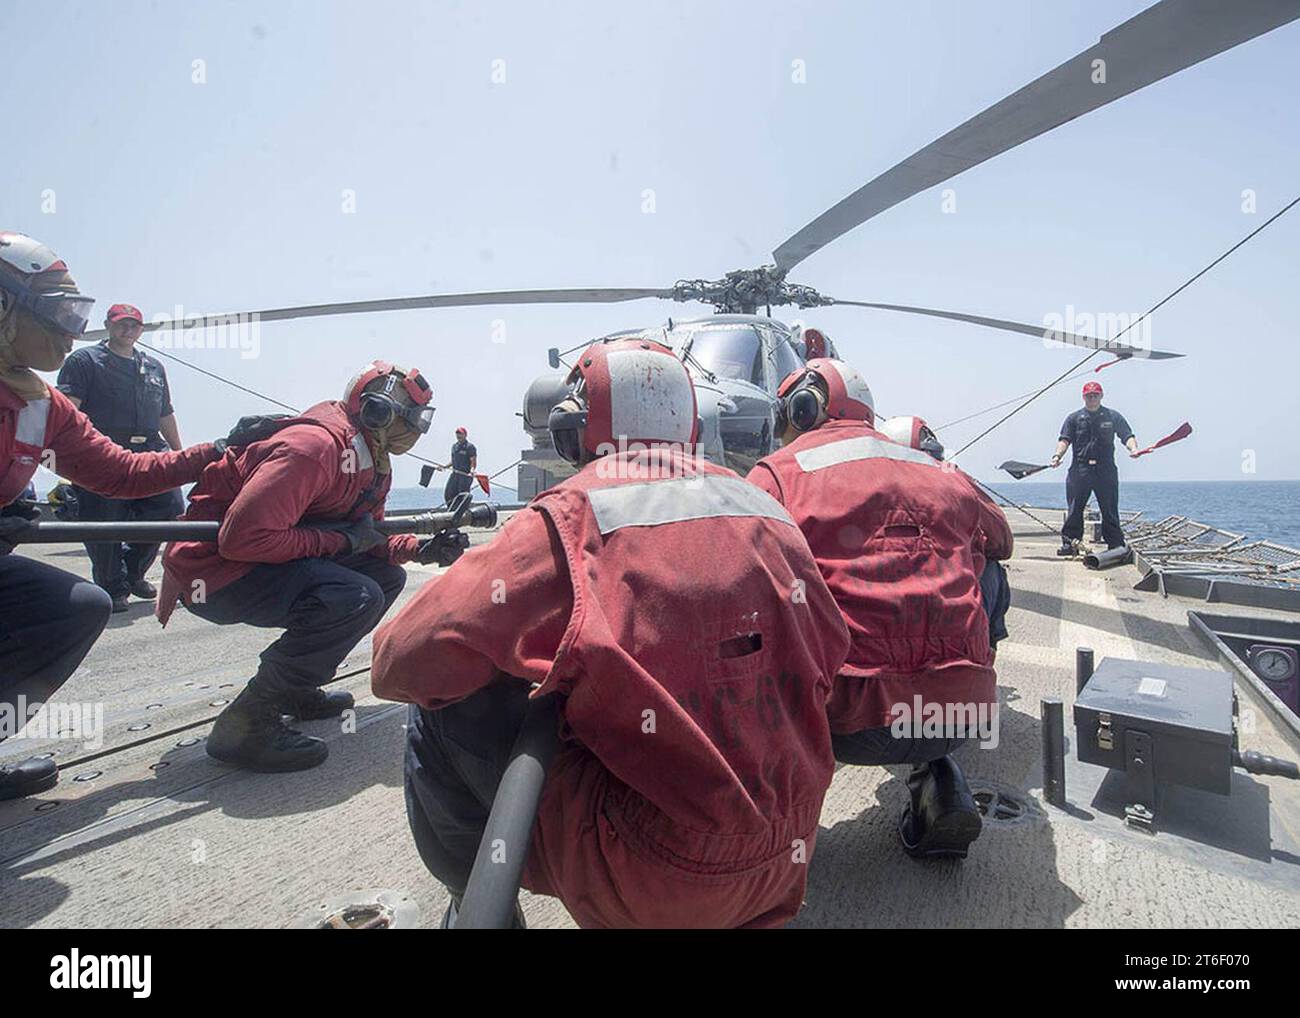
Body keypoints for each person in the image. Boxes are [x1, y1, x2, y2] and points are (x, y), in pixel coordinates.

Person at [372, 337, 850, 928]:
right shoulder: (770, 511)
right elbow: (832, 651)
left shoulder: (572, 513)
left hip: (656, 873)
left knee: (435, 709)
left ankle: (474, 900)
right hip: (788, 853)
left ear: (575, 429)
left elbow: (400, 661)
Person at [747, 361, 1013, 859]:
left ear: (804, 408)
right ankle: (942, 783)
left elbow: (736, 571)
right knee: (988, 571)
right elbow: (1003, 541)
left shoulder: (779, 474)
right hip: (963, 714)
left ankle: (773, 827)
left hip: (849, 725)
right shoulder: (942, 473)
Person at [0, 231, 220, 801]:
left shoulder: (41, 404)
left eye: (80, 312)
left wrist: (215, 451)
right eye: (59, 310)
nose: (73, 328)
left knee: (71, 609)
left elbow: (123, 474)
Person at [157, 361, 444, 773]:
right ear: (378, 411)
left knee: (386, 578)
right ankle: (247, 723)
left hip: (262, 560)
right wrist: (340, 541)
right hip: (215, 572)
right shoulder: (315, 448)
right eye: (411, 419)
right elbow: (242, 539)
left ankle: (296, 687)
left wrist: (421, 547)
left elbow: (368, 536)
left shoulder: (372, 455)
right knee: (355, 597)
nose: (416, 431)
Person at [57, 303, 185, 611]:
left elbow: (165, 412)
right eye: (120, 324)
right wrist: (66, 455)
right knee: (103, 520)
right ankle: (112, 586)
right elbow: (67, 409)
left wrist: (180, 455)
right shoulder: (84, 361)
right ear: (108, 325)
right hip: (103, 451)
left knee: (169, 508)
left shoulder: (153, 367)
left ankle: (132, 572)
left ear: (140, 330)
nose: (127, 330)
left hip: (150, 449)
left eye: (133, 325)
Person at [879, 414, 1012, 660]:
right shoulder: (955, 485)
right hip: (948, 621)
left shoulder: (868, 491)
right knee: (991, 569)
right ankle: (984, 653)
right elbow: (1002, 542)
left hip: (885, 625)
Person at [1050, 380, 1138, 555]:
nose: (1092, 398)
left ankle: (1115, 545)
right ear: (1083, 397)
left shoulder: (1113, 417)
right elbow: (1064, 439)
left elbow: (1127, 435)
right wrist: (1057, 456)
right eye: (1089, 396)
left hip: (1105, 470)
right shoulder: (1074, 418)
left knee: (1109, 509)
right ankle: (1070, 545)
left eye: (1095, 395)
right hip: (1080, 469)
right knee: (1075, 509)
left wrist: (1133, 448)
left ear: (1101, 396)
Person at [437, 426, 476, 505]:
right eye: (457, 434)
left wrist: (472, 470)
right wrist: (444, 467)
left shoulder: (470, 447)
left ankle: (463, 510)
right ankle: (452, 510)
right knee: (448, 493)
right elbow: (453, 461)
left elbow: (473, 461)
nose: (458, 436)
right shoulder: (454, 446)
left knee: (462, 494)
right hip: (455, 473)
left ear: (465, 435)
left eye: (460, 434)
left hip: (465, 474)